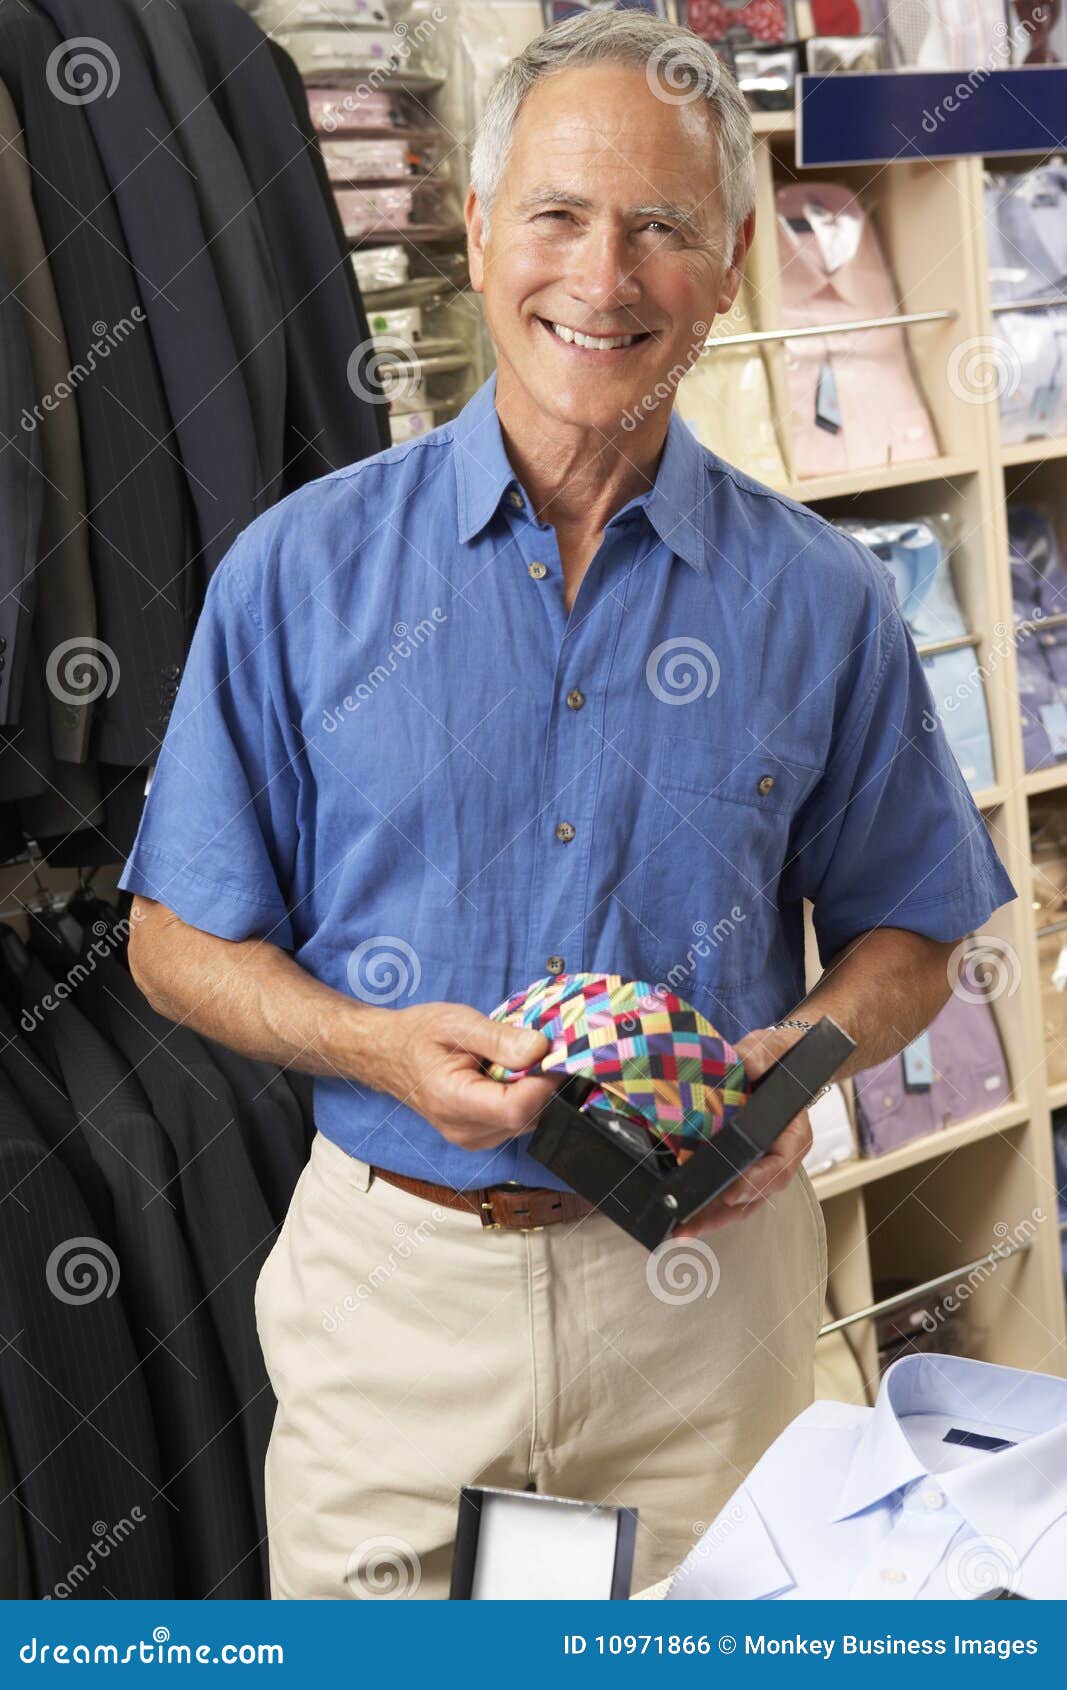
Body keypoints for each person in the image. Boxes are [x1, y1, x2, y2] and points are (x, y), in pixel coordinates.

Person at [121, 10, 1015, 1599]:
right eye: (557, 214)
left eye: (661, 226)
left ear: (729, 260)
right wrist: (376, 1041)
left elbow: (916, 933)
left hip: (702, 1309)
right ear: (476, 231)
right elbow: (175, 939)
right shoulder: (298, 575)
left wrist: (792, 1060)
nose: (602, 279)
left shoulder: (821, 600)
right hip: (394, 1297)